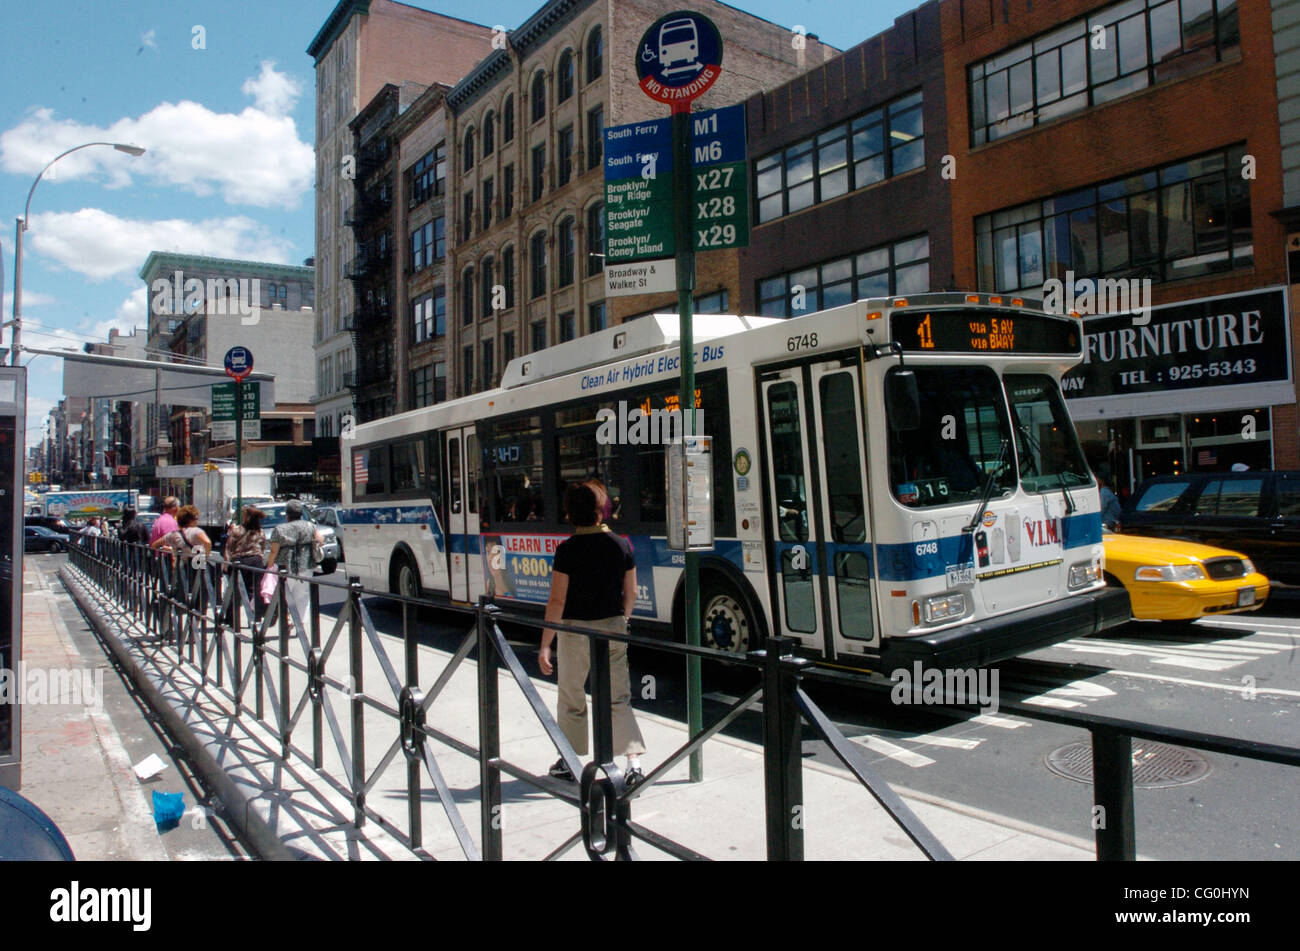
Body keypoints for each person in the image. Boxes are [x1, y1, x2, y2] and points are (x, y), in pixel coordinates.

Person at [539, 482, 646, 787]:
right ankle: (633, 764)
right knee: (618, 696)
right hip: (613, 628)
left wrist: (546, 645)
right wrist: (622, 619)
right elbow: (632, 591)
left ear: (570, 513)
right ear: (602, 511)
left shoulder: (567, 551)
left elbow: (557, 601)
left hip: (575, 632)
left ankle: (570, 762)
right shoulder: (621, 545)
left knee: (572, 696)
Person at [266, 499, 324, 631]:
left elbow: (274, 550)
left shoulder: (279, 529)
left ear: (287, 515)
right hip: (306, 565)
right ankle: (300, 625)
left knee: (285, 595)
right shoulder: (310, 526)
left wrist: (269, 565)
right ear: (301, 513)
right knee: (302, 596)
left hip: (285, 566)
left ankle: (287, 620)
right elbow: (320, 540)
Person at [223, 506, 268, 625]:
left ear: (246, 517)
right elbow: (263, 547)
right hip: (256, 561)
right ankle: (254, 618)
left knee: (234, 590)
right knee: (255, 591)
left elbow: (229, 547)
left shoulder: (237, 530)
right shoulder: (260, 531)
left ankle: (231, 619)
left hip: (239, 561)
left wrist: (227, 562)